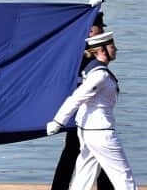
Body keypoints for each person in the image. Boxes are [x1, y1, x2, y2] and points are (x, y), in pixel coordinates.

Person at [46, 31, 138, 190]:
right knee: (124, 177)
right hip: (101, 133)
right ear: (102, 50)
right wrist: (58, 122)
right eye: (112, 46)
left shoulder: (94, 71)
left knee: (84, 177)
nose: (116, 49)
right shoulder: (99, 75)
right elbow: (77, 98)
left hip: (89, 132)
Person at [51, 12, 113, 190]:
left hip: (91, 109)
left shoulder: (87, 48)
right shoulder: (79, 49)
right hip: (82, 109)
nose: (102, 31)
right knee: (78, 150)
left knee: (88, 152)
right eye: (99, 28)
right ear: (91, 29)